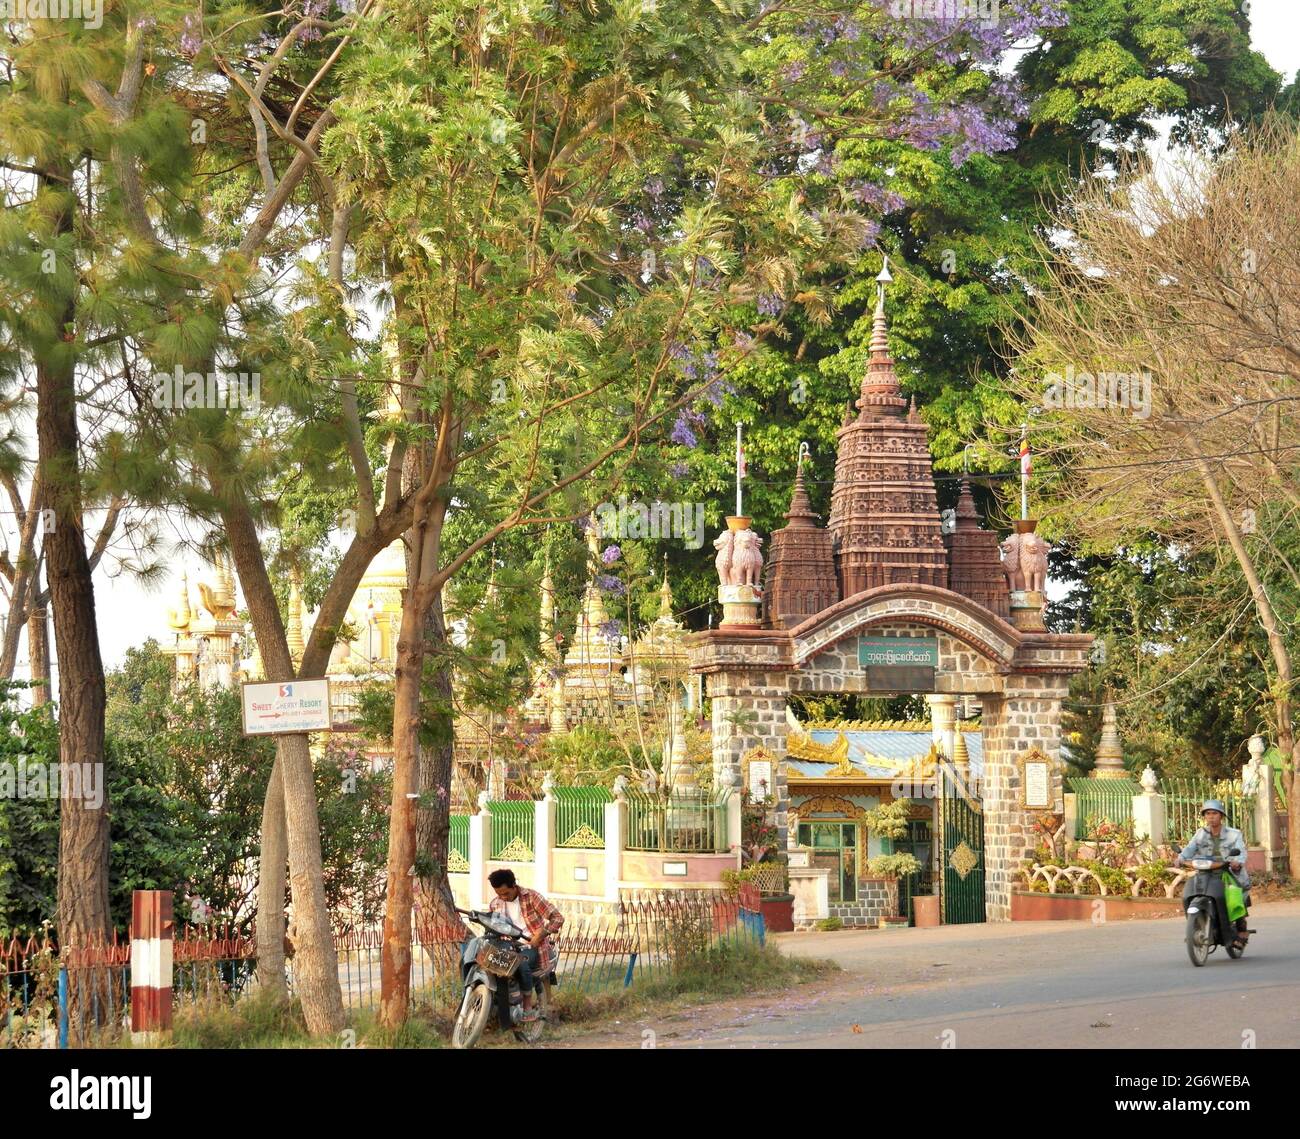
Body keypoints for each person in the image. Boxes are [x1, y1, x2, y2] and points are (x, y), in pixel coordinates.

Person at [487, 868, 564, 1021]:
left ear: (514, 885)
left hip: (530, 945)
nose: (503, 897)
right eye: (499, 894)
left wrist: (540, 934)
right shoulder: (495, 904)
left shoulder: (531, 897)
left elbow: (557, 918)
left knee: (520, 963)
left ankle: (527, 1007)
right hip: (507, 946)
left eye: (506, 893)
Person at [1174, 799, 1250, 948]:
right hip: (1205, 872)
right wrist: (1180, 858)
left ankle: (1241, 928)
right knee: (1189, 893)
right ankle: (1195, 927)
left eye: (1214, 813)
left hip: (1227, 873)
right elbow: (1189, 849)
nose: (1211, 817)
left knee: (1235, 898)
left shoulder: (1234, 834)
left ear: (1221, 815)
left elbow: (1240, 853)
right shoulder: (1200, 834)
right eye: (1208, 814)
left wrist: (1236, 862)